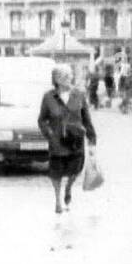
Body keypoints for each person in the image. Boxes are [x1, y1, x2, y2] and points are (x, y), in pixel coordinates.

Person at [38, 64, 96, 214]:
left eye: (70, 75)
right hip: (57, 142)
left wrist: (92, 138)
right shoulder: (48, 97)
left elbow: (86, 118)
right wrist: (49, 134)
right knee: (56, 172)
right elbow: (42, 120)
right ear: (57, 79)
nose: (70, 78)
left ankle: (69, 187)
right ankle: (58, 200)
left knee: (75, 170)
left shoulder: (79, 95)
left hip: (75, 141)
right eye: (66, 76)